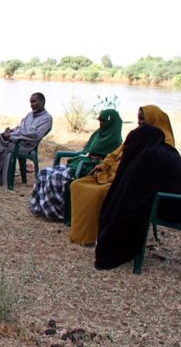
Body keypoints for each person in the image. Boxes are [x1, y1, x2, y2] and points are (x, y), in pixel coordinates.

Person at [95, 124, 181, 270]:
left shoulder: (152, 157)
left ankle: (121, 251)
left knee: (130, 210)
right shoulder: (165, 149)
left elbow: (134, 194)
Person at [69, 105, 174, 245]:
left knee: (99, 193)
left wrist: (116, 175)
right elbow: (114, 154)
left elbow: (142, 167)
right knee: (77, 184)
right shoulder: (136, 134)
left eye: (143, 120)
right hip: (115, 174)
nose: (140, 123)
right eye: (138, 120)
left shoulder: (164, 141)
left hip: (133, 182)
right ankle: (85, 234)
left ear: (153, 120)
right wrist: (103, 166)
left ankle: (99, 236)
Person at [29, 109, 123, 221]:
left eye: (103, 121)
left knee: (56, 177)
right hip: (81, 162)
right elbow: (88, 150)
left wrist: (93, 159)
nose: (101, 124)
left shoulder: (115, 139)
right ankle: (40, 207)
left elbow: (106, 161)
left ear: (111, 122)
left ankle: (59, 212)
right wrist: (83, 156)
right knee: (44, 172)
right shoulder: (98, 133)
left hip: (89, 168)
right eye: (100, 121)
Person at [0, 92, 53, 189]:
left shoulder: (47, 118)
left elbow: (35, 135)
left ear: (42, 102)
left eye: (34, 101)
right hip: (12, 139)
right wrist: (11, 131)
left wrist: (11, 135)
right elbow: (20, 129)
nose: (31, 104)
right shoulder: (29, 115)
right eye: (30, 102)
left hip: (23, 145)